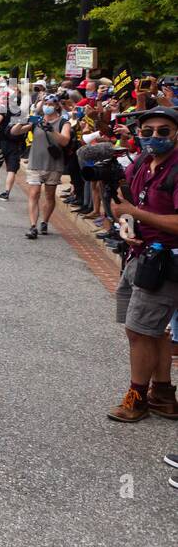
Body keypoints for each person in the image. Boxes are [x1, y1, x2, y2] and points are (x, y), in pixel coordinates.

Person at [105, 107, 178, 422]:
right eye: (147, 131)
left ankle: (137, 398)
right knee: (152, 330)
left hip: (165, 261)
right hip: (140, 255)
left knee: (139, 329)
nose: (154, 137)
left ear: (176, 134)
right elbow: (121, 204)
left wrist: (137, 215)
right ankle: (162, 394)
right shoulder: (140, 164)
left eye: (163, 131)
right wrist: (126, 227)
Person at [10, 94, 74, 239]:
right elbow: (15, 132)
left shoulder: (64, 122)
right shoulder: (37, 121)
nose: (48, 106)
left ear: (57, 106)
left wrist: (51, 130)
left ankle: (44, 221)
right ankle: (33, 226)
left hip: (53, 165)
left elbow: (64, 141)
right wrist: (23, 121)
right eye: (46, 102)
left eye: (51, 103)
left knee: (50, 196)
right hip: (35, 163)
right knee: (34, 193)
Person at [0, 85, 22, 201]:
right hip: (15, 143)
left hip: (1, 141)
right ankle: (6, 192)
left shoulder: (4, 110)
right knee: (11, 169)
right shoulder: (22, 111)